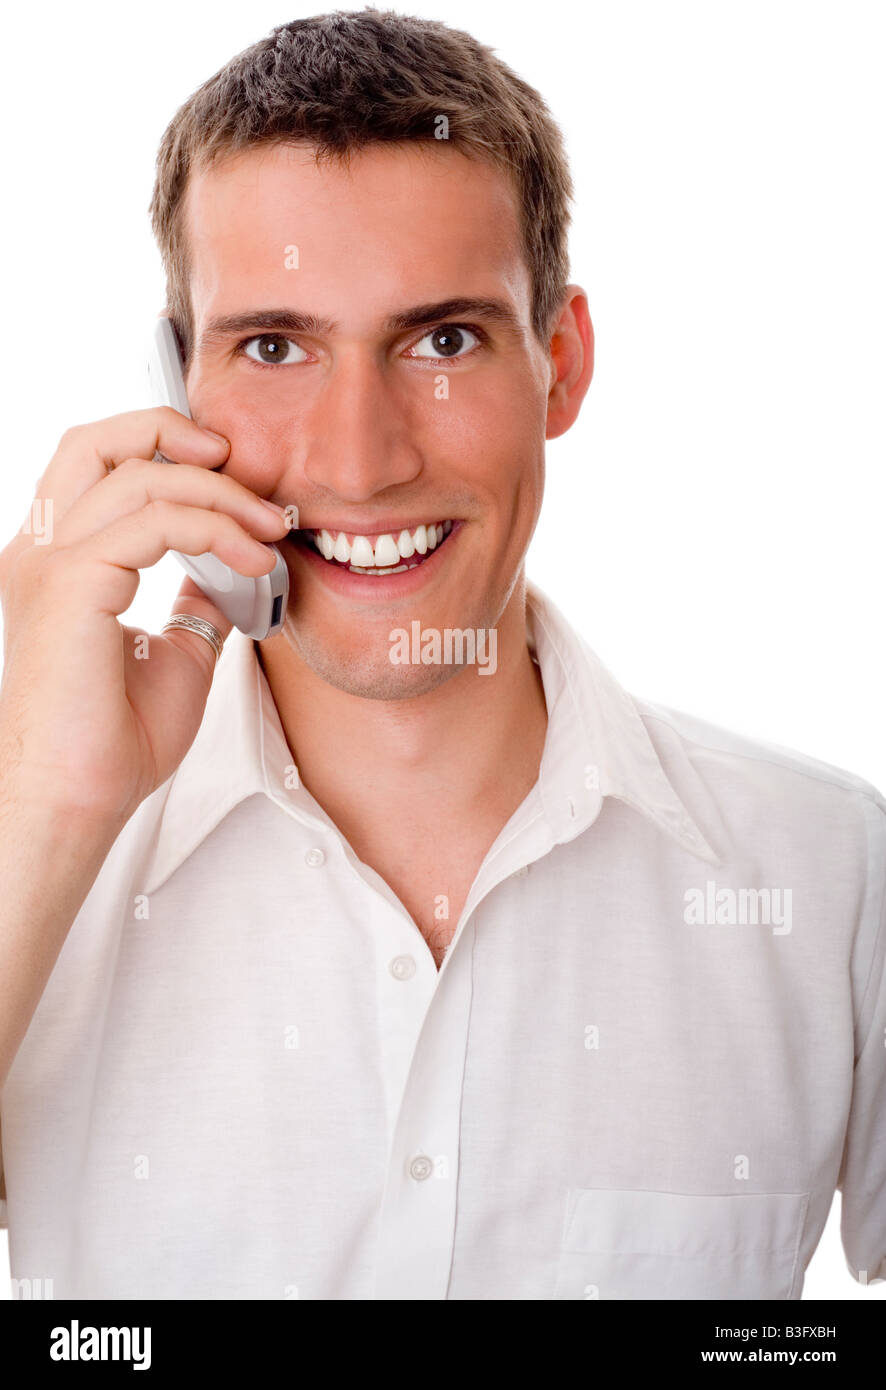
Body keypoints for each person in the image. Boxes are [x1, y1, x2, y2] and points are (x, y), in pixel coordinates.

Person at [0, 10, 883, 1302]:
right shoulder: (28, 858)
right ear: (174, 390)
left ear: (560, 365)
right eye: (274, 345)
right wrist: (45, 819)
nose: (358, 462)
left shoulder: (833, 868)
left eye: (443, 340)